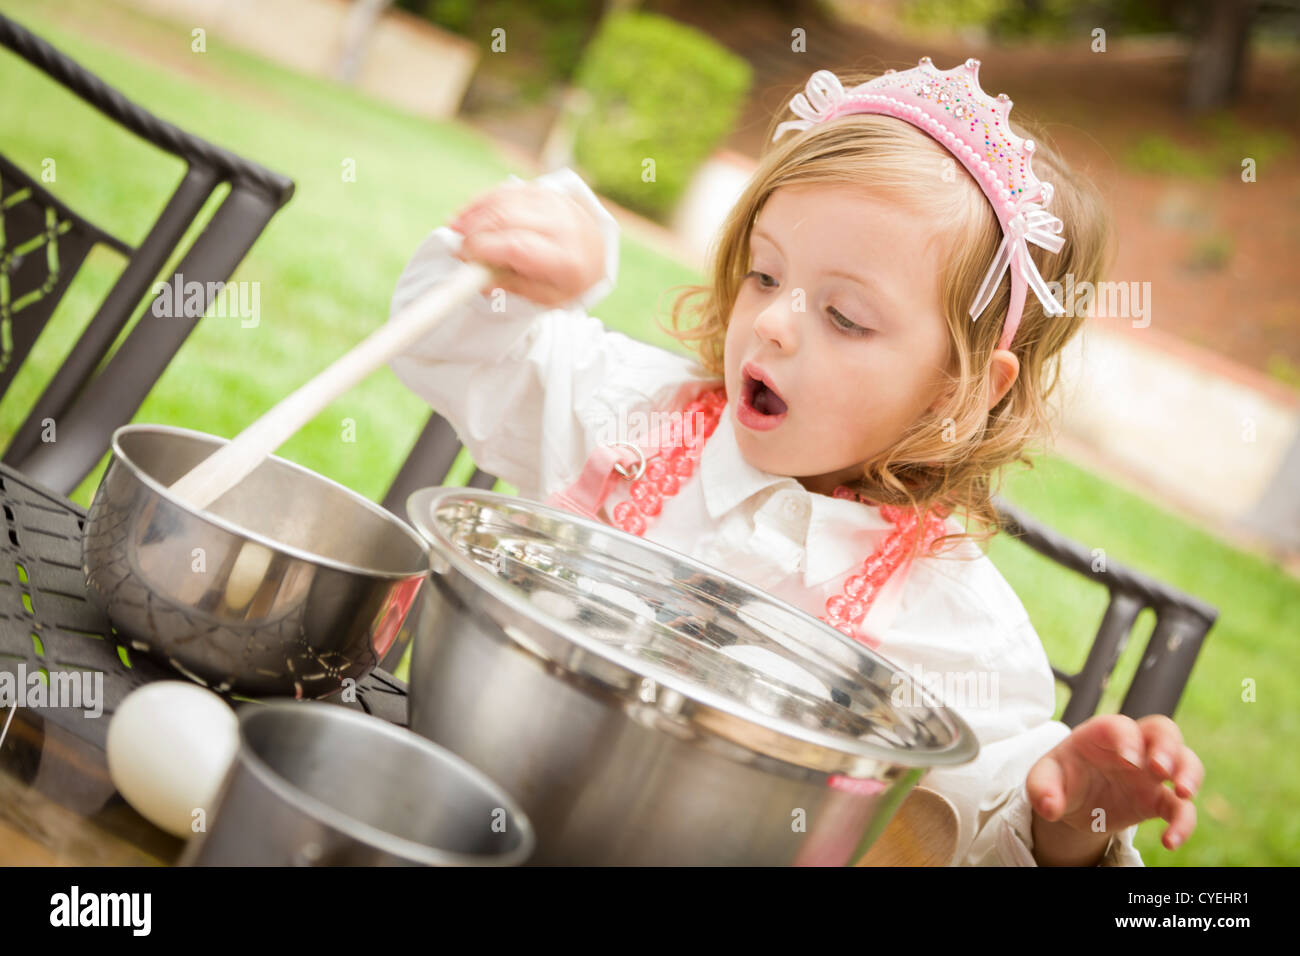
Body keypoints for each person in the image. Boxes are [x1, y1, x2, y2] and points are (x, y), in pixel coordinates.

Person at [387, 58, 1202, 866]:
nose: (775, 321)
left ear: (956, 389)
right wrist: (515, 266)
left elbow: (977, 835)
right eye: (765, 273)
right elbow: (448, 347)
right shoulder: (632, 415)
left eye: (845, 317)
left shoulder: (959, 631)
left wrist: (1071, 826)